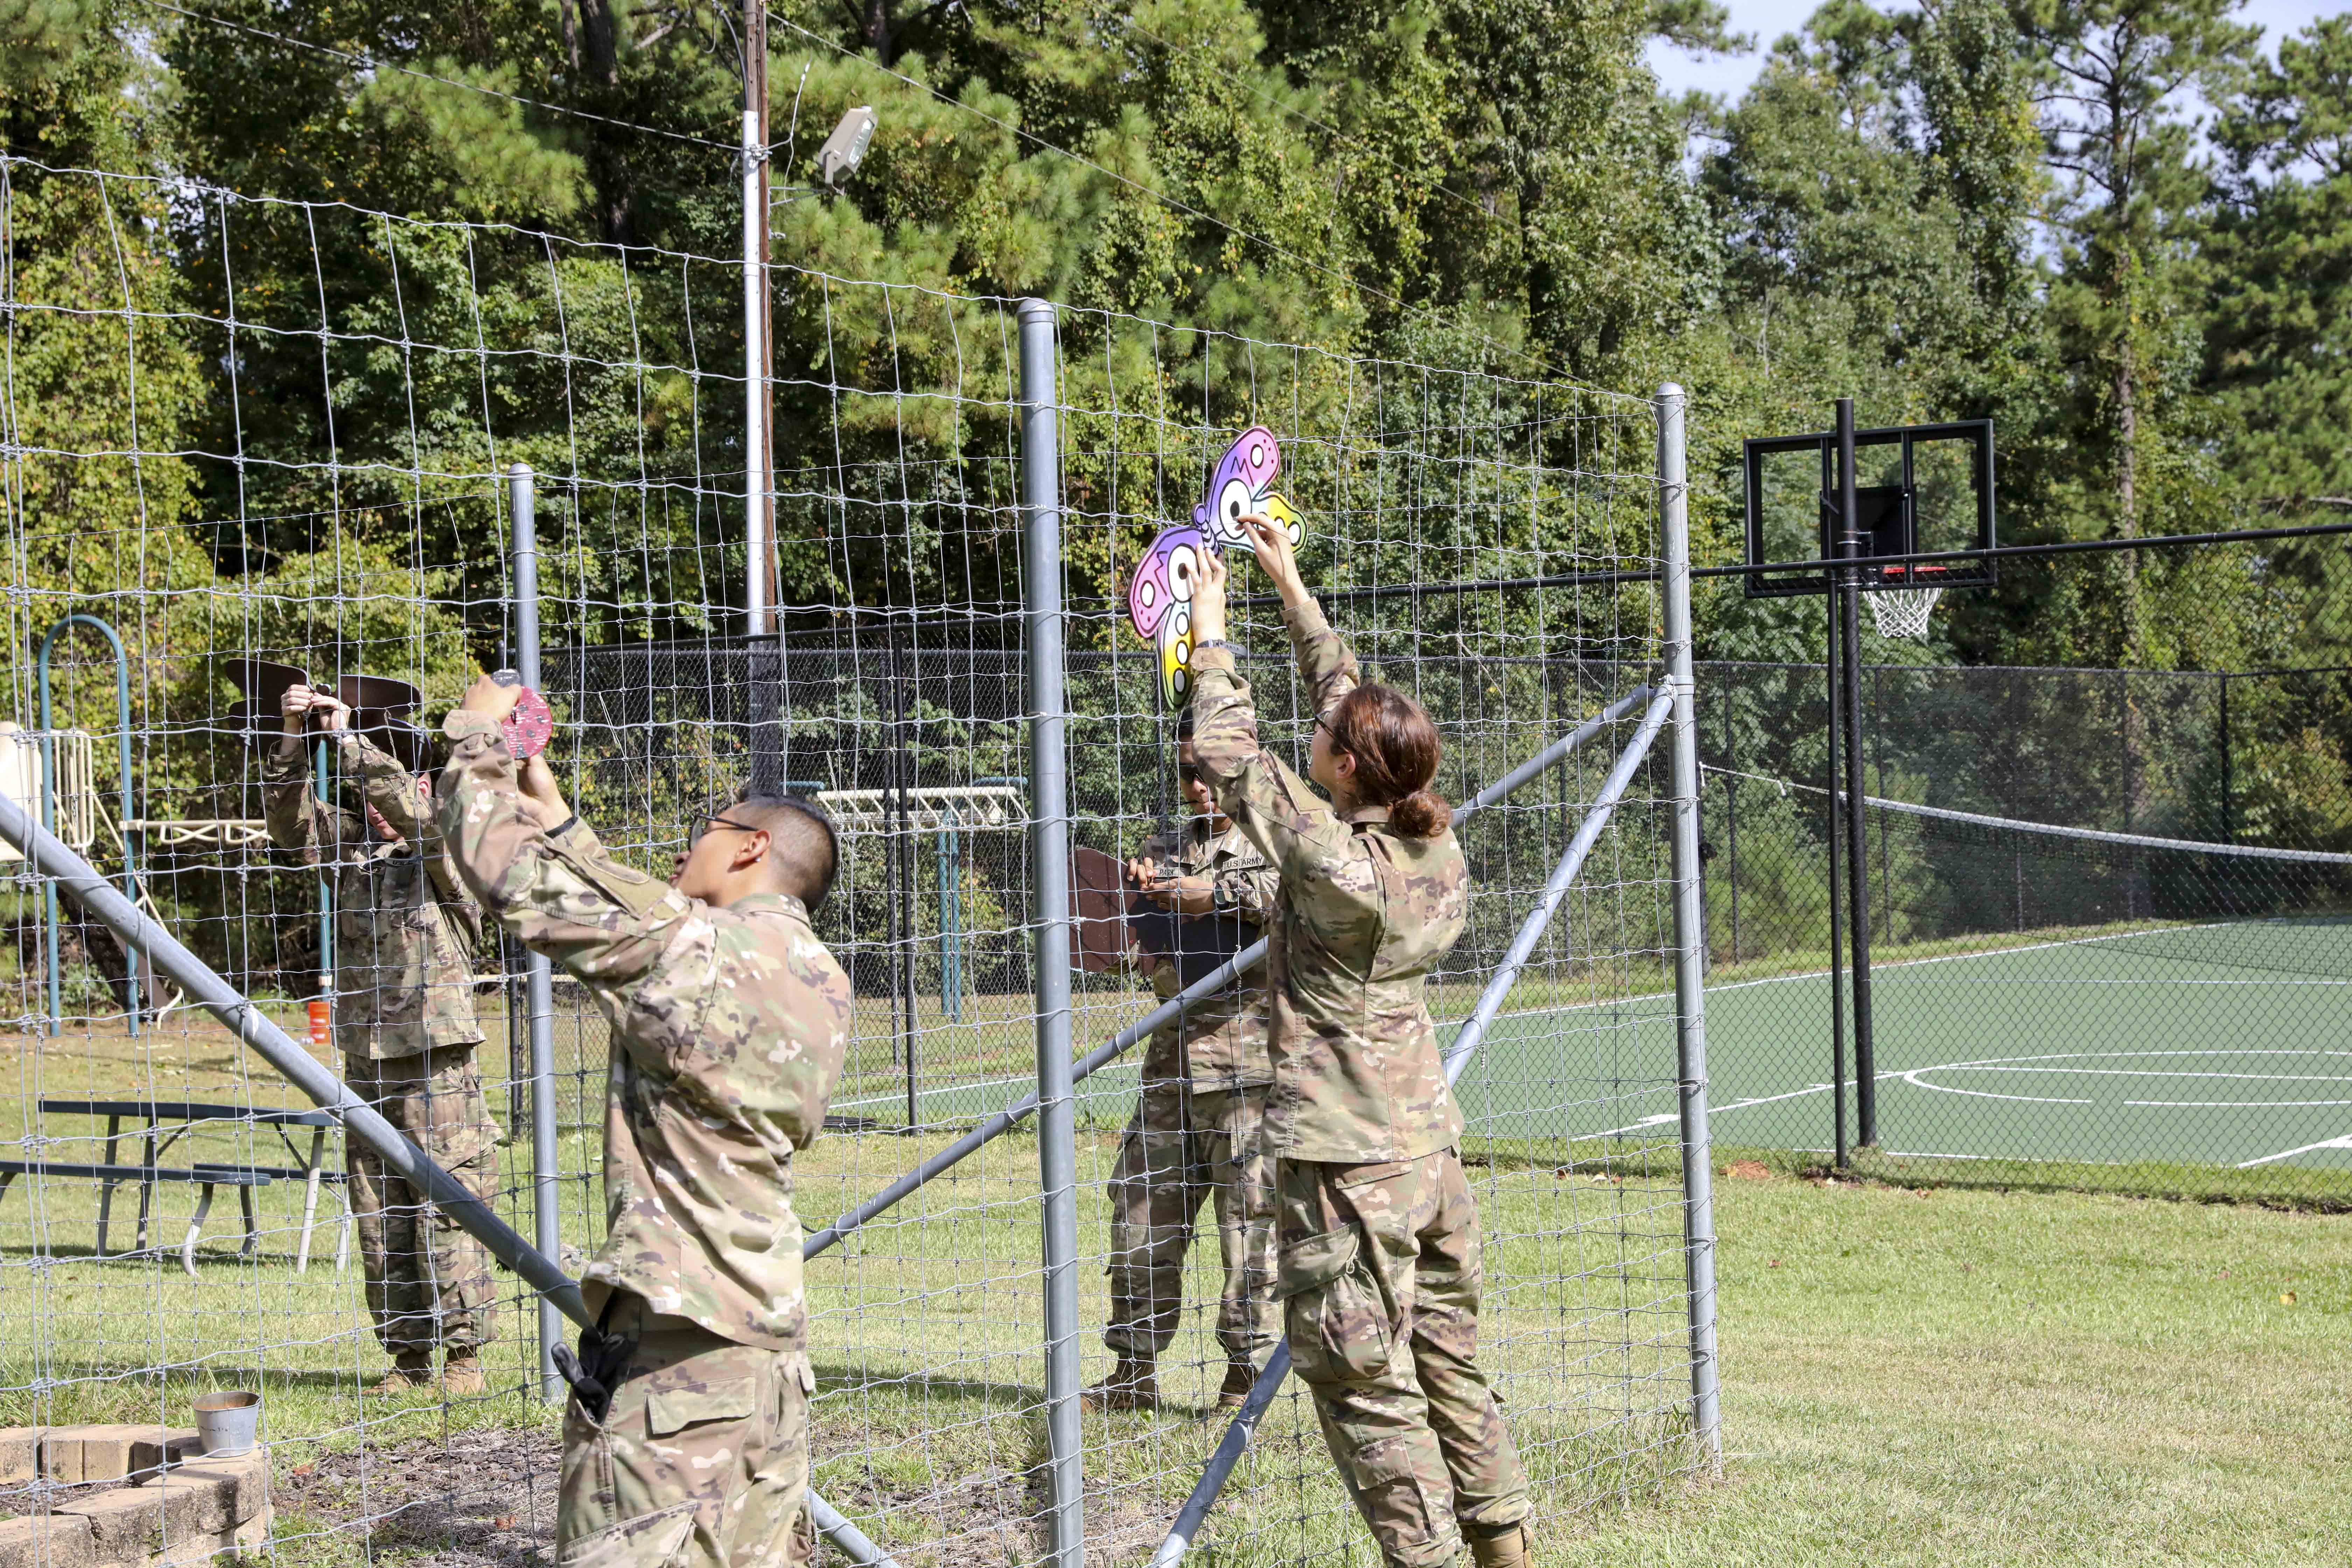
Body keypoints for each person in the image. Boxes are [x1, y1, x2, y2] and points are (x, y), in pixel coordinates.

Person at [436, 674, 851, 1568]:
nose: (685, 845)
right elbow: (646, 919)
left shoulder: (689, 950)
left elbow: (512, 879)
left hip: (675, 1368)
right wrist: (563, 820)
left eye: (704, 828)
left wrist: (476, 736)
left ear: (747, 849)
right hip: (765, 1361)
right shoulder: (819, 975)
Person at [1181, 519, 1534, 1568]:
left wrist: (1209, 627)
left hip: (1346, 1161)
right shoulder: (1436, 845)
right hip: (1426, 1151)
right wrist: (1290, 589)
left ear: (1342, 769)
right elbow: (1349, 704)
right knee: (1453, 1363)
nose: (1321, 737)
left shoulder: (1338, 868)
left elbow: (1227, 753)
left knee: (1360, 1379)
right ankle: (1507, 1549)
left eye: (1330, 741)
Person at [262, 683, 497, 1396]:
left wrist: (354, 744)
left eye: (392, 774)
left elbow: (418, 818)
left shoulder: (450, 844)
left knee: (449, 1199)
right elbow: (286, 824)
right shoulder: (351, 848)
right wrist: (297, 737)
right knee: (379, 1210)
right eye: (362, 781)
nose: (373, 795)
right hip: (366, 1051)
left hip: (436, 1054)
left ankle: (464, 1357)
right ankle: (407, 1355)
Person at [1088, 707, 1281, 1413]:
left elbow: (1301, 894)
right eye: (1186, 774)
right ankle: (1133, 1371)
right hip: (1172, 1062)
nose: (1198, 787)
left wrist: (1215, 893)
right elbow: (1143, 945)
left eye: (1209, 771)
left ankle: (1245, 1378)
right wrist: (1141, 897)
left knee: (1249, 1225)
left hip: (1248, 1068)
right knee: (1140, 1215)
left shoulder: (1281, 835)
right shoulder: (1167, 844)